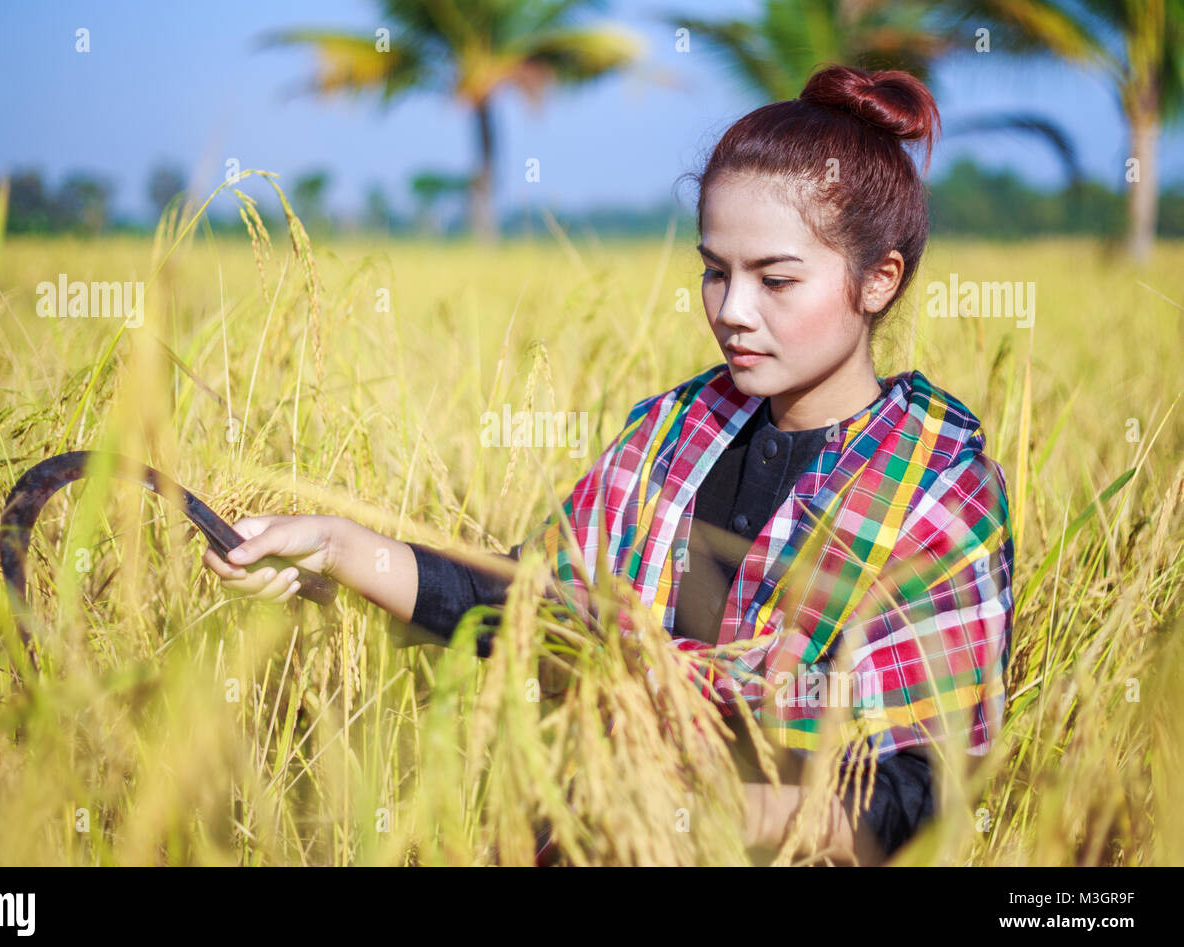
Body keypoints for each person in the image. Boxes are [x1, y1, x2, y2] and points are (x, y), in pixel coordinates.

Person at [202, 63, 1014, 867]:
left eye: (775, 279)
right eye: (714, 271)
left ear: (878, 281)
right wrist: (341, 548)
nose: (732, 311)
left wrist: (711, 812)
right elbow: (526, 603)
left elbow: (927, 785)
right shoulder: (673, 434)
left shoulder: (938, 490)